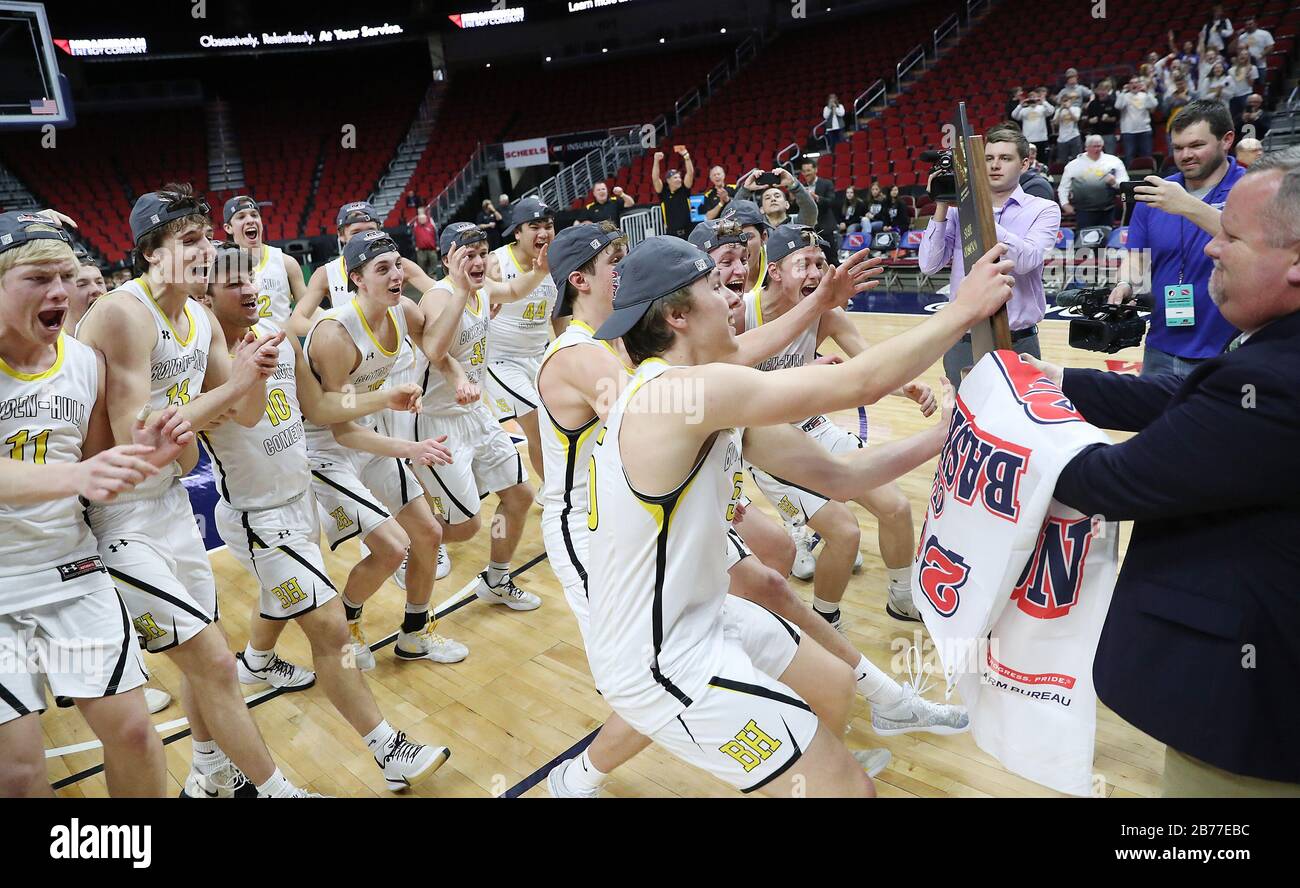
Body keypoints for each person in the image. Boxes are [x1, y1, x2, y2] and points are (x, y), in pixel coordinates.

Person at [539, 220, 967, 796]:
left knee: (834, 683)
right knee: (850, 789)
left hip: (700, 610)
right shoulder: (673, 392)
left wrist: (944, 435)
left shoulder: (701, 391)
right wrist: (964, 309)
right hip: (657, 655)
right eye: (715, 287)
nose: (733, 297)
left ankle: (810, 764)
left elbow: (842, 478)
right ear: (677, 316)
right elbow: (861, 383)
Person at [1030, 146, 1300, 797]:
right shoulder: (1271, 356)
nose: (1212, 247)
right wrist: (1059, 382)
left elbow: (1113, 482)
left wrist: (1011, 432)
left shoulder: (1276, 380)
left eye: (1232, 236)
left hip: (1256, 706)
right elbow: (1191, 403)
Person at [78, 185, 320, 798]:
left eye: (208, 238)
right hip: (114, 516)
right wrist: (233, 386)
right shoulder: (124, 312)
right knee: (213, 661)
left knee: (201, 657)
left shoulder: (201, 316)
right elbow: (139, 439)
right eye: (190, 240)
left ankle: (209, 768)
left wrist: (254, 370)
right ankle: (277, 791)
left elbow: (244, 416)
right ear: (150, 253)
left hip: (171, 503)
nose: (208, 250)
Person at [201, 244, 454, 792]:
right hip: (257, 516)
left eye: (250, 278)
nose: (250, 289)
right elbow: (245, 413)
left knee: (288, 596)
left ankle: (256, 663)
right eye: (233, 283)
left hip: (299, 500)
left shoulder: (277, 334)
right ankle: (389, 750)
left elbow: (319, 410)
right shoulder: (205, 358)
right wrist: (244, 373)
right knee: (330, 627)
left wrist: (383, 398)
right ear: (204, 296)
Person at [0, 212, 193, 797]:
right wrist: (77, 474)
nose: (60, 291)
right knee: (19, 768)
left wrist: (148, 454)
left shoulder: (85, 363)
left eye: (66, 275)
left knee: (133, 732)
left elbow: (98, 472)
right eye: (39, 278)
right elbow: (76, 473)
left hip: (70, 566)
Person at [737, 223, 940, 623]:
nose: (817, 273)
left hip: (814, 427)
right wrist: (805, 374)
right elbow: (729, 390)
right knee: (846, 534)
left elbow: (870, 362)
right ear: (774, 271)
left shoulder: (827, 313)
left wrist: (908, 388)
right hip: (768, 445)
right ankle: (826, 619)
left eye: (821, 263)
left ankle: (902, 597)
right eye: (805, 264)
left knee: (897, 507)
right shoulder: (742, 313)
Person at [303, 229, 470, 670]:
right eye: (383, 269)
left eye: (398, 265)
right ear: (356, 278)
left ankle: (415, 633)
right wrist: (409, 447)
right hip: (327, 449)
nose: (397, 275)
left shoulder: (403, 309)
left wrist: (460, 294)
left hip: (369, 433)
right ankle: (348, 623)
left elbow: (435, 348)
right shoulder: (335, 334)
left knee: (428, 534)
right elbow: (340, 428)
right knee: (391, 549)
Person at [409, 222, 544, 615]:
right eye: (468, 254)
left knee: (519, 495)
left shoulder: (482, 291)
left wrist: (541, 270)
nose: (479, 261)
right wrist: (461, 291)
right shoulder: (438, 297)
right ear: (448, 259)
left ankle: (496, 579)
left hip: (476, 414)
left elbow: (514, 291)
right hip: (438, 423)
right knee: (465, 526)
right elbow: (435, 349)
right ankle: (406, 544)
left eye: (483, 253)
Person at [1108, 100, 1243, 378]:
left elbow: (1256, 245)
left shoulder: (1252, 188)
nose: (1186, 155)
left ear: (1227, 140)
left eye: (1196, 145)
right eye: (1178, 148)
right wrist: (1126, 285)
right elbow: (1137, 259)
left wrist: (1187, 205)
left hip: (1230, 349)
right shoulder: (1154, 194)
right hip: (1160, 347)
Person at [919, 125, 1061, 383]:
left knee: (1019, 410)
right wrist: (941, 204)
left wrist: (977, 210)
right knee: (961, 409)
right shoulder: (956, 210)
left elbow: (1026, 261)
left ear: (1024, 164)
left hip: (1018, 341)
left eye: (1005, 158)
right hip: (962, 338)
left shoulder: (1044, 209)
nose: (995, 165)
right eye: (988, 158)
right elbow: (929, 265)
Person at [484, 196, 555, 483]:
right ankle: (554, 493)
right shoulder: (496, 263)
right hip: (502, 361)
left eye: (548, 226)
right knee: (540, 426)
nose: (543, 233)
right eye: (534, 227)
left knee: (563, 424)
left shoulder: (558, 263)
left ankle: (562, 487)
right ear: (517, 232)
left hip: (540, 356)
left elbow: (559, 316)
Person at [221, 196, 308, 328]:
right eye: (241, 217)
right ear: (228, 228)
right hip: (246, 340)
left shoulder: (286, 262)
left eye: (254, 215)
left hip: (284, 339)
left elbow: (309, 310)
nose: (250, 220)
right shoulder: (224, 269)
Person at [1059, 134, 1128, 231]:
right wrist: (1065, 204)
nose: (1097, 149)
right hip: (1083, 210)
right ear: (1086, 147)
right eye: (1094, 146)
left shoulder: (1114, 161)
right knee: (1085, 237)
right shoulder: (1073, 165)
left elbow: (1125, 183)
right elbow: (1063, 187)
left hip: (1107, 209)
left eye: (1099, 146)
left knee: (1106, 236)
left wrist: (1115, 183)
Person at [734, 167, 818, 230]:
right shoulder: (756, 228)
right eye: (767, 198)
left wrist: (793, 185)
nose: (773, 199)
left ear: (787, 204)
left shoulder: (798, 222)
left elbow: (810, 210)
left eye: (777, 196)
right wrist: (746, 189)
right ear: (761, 209)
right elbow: (734, 216)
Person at [798, 157, 839, 264]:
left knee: (832, 259)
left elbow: (832, 202)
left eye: (808, 170)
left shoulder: (826, 183)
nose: (806, 174)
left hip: (825, 227)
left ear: (815, 170)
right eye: (804, 171)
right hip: (808, 229)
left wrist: (816, 197)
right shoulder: (801, 187)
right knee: (811, 260)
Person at [651, 145, 695, 239]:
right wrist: (656, 161)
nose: (679, 179)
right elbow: (655, 178)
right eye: (675, 177)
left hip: (689, 231)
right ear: (668, 180)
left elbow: (690, 173)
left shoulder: (684, 189)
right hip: (671, 234)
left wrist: (686, 156)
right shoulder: (663, 192)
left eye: (679, 177)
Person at [1118, 76, 1159, 168]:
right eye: (1132, 83)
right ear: (1128, 85)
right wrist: (1123, 92)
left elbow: (1154, 104)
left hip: (1144, 130)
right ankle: (1130, 174)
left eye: (1136, 83)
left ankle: (1148, 173)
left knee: (1147, 154)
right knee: (1129, 155)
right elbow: (1118, 106)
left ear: (1140, 84)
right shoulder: (1124, 96)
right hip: (1128, 131)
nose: (1134, 85)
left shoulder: (1144, 95)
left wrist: (1147, 92)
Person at [1011, 87, 1054, 162]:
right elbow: (1014, 115)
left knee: (1043, 160)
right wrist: (1020, 105)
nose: (1033, 99)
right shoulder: (1024, 110)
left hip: (1042, 139)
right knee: (1029, 160)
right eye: (1031, 97)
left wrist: (1043, 101)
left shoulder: (1042, 108)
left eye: (1034, 97)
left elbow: (1051, 111)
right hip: (1029, 139)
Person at [69, 250, 107, 333]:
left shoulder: (119, 333)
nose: (96, 289)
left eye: (99, 282)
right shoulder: (51, 340)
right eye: (82, 284)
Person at [1084, 79, 1120, 154]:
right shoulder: (1092, 104)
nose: (1102, 92)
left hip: (1109, 134)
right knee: (1095, 155)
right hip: (1095, 134)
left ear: (1108, 91)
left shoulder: (1113, 102)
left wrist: (1108, 119)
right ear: (1097, 91)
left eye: (1104, 90)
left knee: (1110, 155)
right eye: (1100, 90)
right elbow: (1088, 119)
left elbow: (1116, 118)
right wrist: (1091, 120)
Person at [1238, 15, 1275, 87]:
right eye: (1247, 25)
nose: (1248, 26)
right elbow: (1239, 50)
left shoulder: (1264, 34)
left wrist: (1261, 55)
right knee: (1247, 86)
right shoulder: (1242, 37)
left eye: (1250, 24)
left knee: (1260, 85)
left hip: (1260, 65)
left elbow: (1271, 47)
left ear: (1256, 24)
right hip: (1246, 66)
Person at [1226, 48, 1258, 121]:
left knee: (1248, 117)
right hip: (1234, 96)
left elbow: (1251, 84)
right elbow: (1231, 83)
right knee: (1234, 118)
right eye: (1241, 54)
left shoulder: (1253, 68)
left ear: (1249, 57)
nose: (1243, 56)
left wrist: (1248, 75)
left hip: (1246, 94)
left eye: (1245, 54)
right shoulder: (1231, 70)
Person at [1053, 91, 1084, 163]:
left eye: (1066, 100)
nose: (1065, 102)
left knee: (1077, 159)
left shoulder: (1076, 109)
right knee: (1063, 160)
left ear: (1070, 101)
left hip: (1074, 136)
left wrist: (1068, 109)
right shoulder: (1058, 110)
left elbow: (1076, 119)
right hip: (1062, 138)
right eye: (1063, 101)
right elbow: (1055, 123)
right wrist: (1060, 111)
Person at [410, 206, 439, 278]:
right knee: (422, 267)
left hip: (432, 249)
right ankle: (424, 279)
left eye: (423, 218)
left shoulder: (431, 223)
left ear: (426, 218)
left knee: (433, 265)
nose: (422, 219)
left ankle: (433, 278)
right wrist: (415, 246)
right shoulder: (415, 225)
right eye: (420, 218)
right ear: (418, 219)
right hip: (420, 250)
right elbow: (413, 237)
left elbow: (436, 235)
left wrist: (437, 245)